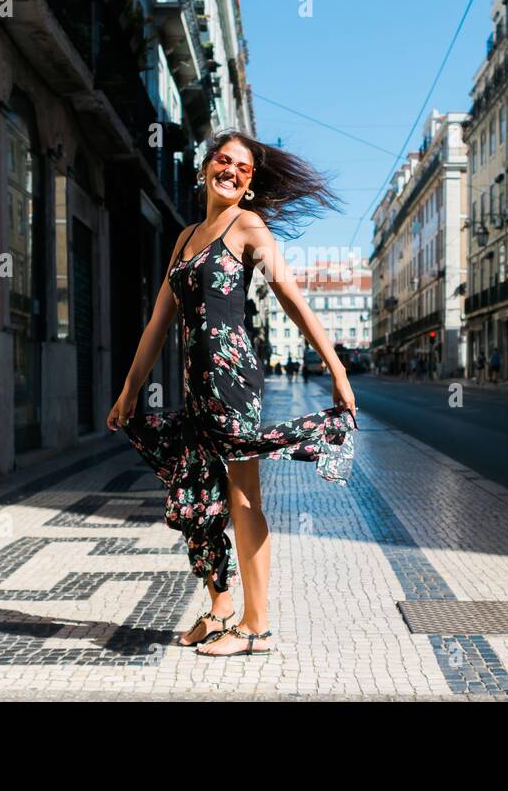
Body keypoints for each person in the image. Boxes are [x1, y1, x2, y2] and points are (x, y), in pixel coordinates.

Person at [107, 129, 357, 657]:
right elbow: (158, 322)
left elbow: (290, 296)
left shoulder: (248, 227)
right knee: (199, 497)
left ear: (248, 183)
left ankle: (257, 626)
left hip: (232, 379)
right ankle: (221, 607)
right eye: (225, 161)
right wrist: (130, 389)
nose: (232, 172)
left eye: (243, 168)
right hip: (195, 385)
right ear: (206, 168)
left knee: (242, 498)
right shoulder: (184, 237)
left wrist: (335, 367)